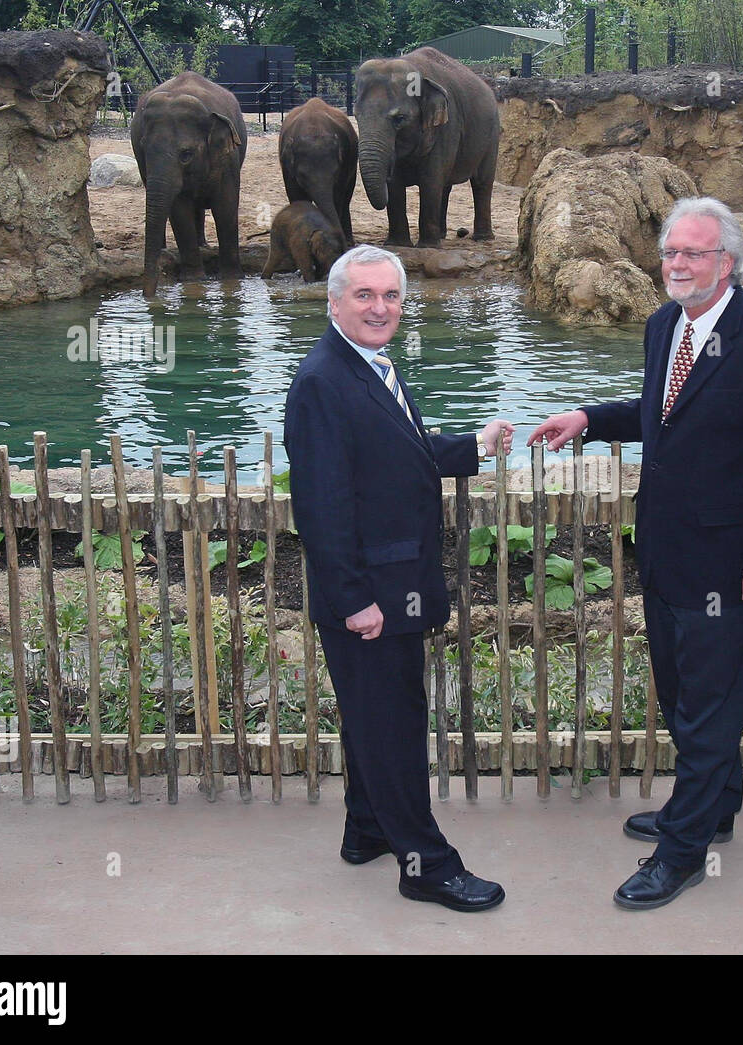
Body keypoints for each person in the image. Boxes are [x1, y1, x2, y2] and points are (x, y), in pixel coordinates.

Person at [529, 197, 743, 909]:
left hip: (727, 567)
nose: (677, 263)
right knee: (687, 699)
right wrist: (590, 416)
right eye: (671, 252)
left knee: (708, 712)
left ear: (728, 262)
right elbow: (660, 413)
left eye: (694, 253)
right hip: (665, 552)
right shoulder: (664, 326)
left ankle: (681, 851)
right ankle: (713, 810)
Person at [284, 244, 513, 912]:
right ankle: (426, 864)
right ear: (334, 303)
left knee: (372, 719)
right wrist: (355, 600)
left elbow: (402, 453)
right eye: (364, 295)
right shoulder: (323, 381)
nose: (379, 307)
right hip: (369, 596)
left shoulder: (370, 366)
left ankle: (367, 828)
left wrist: (473, 445)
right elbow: (321, 506)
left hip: (390, 586)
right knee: (394, 726)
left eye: (390, 296)